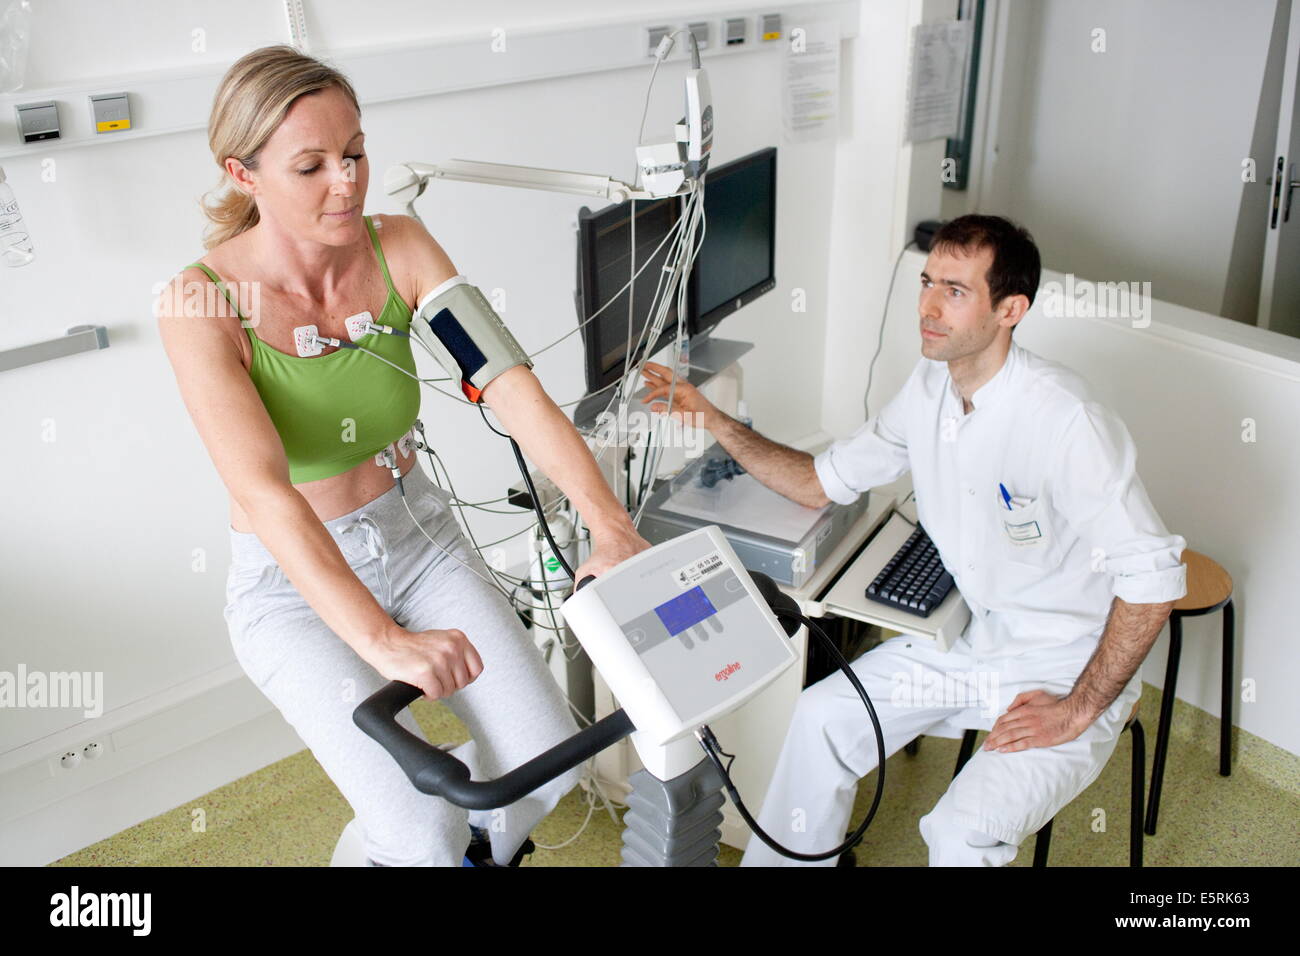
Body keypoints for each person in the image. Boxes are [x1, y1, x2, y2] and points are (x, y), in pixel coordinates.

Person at [157, 45, 650, 866]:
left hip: (418, 536)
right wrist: (383, 642)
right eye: (311, 165)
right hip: (290, 585)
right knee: (417, 825)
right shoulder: (199, 302)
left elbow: (513, 388)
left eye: (354, 153)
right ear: (243, 174)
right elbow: (267, 493)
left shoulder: (402, 250)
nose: (346, 182)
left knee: (541, 766)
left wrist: (608, 525)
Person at [640, 214, 1186, 866]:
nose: (927, 306)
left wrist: (1079, 709)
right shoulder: (930, 386)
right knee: (822, 721)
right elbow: (821, 483)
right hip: (978, 643)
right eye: (927, 283)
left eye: (955, 291)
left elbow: (1153, 580)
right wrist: (709, 417)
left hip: (1066, 669)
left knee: (958, 833)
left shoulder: (1066, 420)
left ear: (1010, 308)